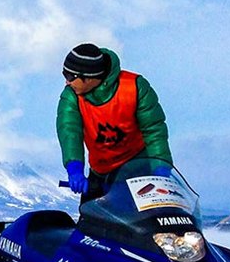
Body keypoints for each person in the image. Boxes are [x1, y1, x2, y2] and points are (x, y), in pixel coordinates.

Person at [57, 43, 173, 200]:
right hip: (101, 174)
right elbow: (69, 131)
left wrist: (161, 169)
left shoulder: (135, 87)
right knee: (92, 219)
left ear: (89, 76)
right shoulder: (71, 96)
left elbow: (154, 130)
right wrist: (74, 169)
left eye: (70, 76)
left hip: (141, 170)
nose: (67, 82)